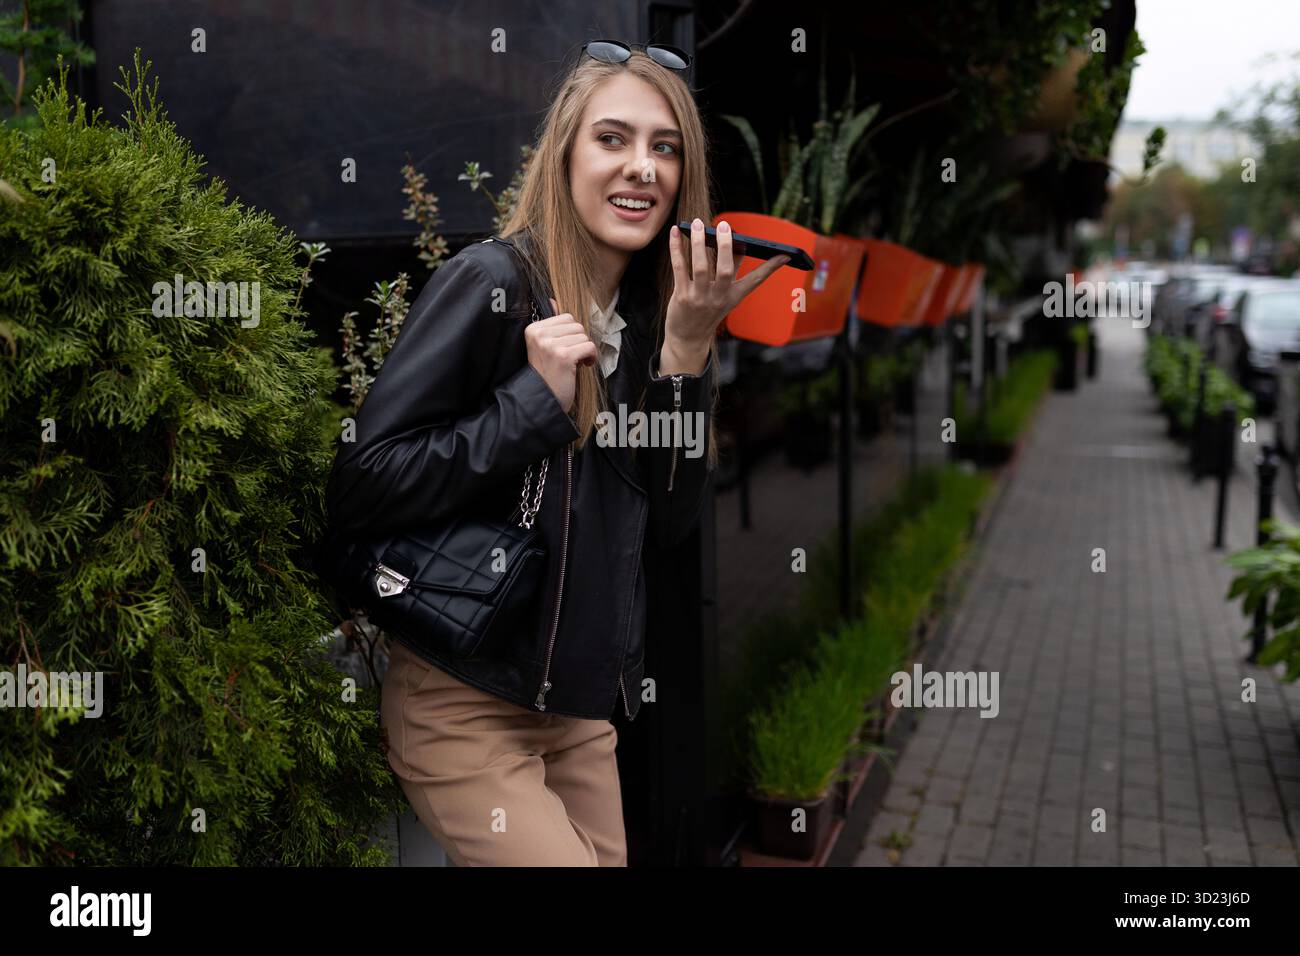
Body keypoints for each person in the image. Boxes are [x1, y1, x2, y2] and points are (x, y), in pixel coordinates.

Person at [321, 39, 789, 866]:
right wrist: (529, 404)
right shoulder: (492, 285)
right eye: (613, 138)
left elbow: (671, 524)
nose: (641, 166)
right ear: (566, 154)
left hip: (576, 713)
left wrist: (683, 355)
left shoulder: (653, 323)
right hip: (462, 702)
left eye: (664, 147)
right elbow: (360, 482)